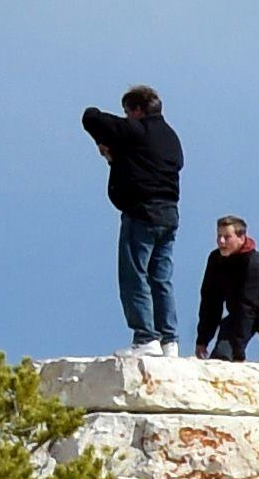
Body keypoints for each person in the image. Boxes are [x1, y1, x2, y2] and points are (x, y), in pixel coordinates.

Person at [79, 86, 185, 350]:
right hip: (169, 213)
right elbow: (143, 163)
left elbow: (91, 117)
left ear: (137, 110)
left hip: (142, 213)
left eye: (127, 111)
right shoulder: (172, 138)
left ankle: (146, 337)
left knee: (134, 275)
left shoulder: (137, 130)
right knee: (161, 278)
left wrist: (109, 142)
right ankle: (169, 339)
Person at [196, 217, 259, 369]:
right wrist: (202, 339)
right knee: (221, 357)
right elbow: (211, 301)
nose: (221, 241)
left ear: (241, 238)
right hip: (241, 313)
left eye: (227, 237)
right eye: (219, 236)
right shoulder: (216, 260)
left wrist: (238, 353)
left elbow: (248, 307)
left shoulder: (255, 263)